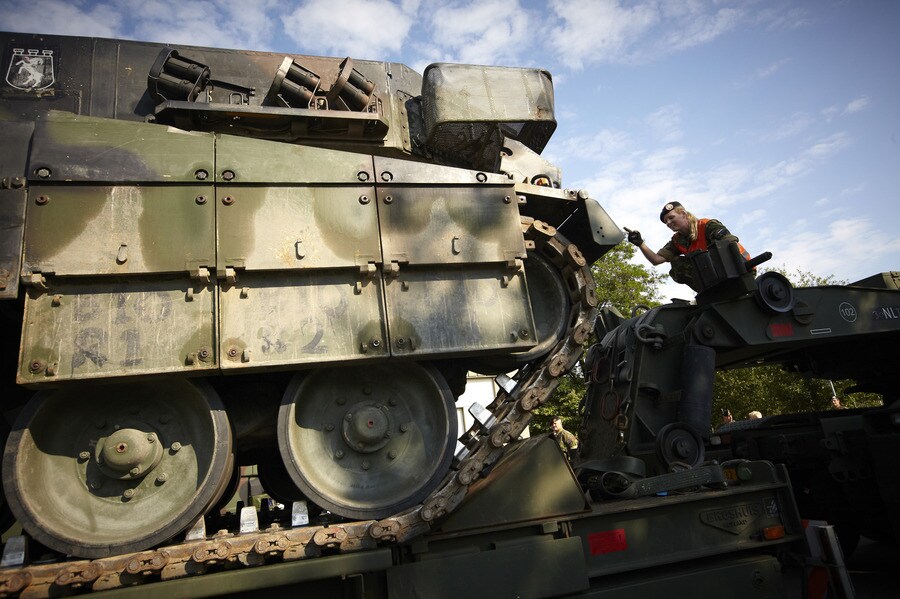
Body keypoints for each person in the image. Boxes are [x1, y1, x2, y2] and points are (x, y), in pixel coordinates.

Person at [625, 201, 751, 292]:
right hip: (717, 277)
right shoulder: (678, 240)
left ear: (684, 214)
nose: (668, 223)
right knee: (676, 265)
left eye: (671, 217)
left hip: (741, 269)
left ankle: (716, 289)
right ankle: (710, 292)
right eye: (665, 221)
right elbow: (656, 260)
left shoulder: (707, 225)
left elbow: (730, 246)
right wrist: (640, 243)